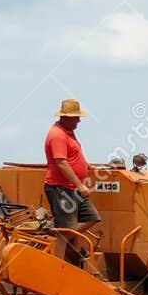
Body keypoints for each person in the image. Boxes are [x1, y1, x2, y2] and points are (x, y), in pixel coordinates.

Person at [44, 98, 101, 265]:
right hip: (61, 188)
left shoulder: (68, 132)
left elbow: (72, 156)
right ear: (66, 117)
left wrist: (87, 165)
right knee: (64, 230)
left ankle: (61, 240)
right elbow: (61, 162)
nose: (78, 121)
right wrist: (80, 185)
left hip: (73, 189)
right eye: (76, 117)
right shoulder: (57, 135)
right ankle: (57, 265)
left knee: (92, 217)